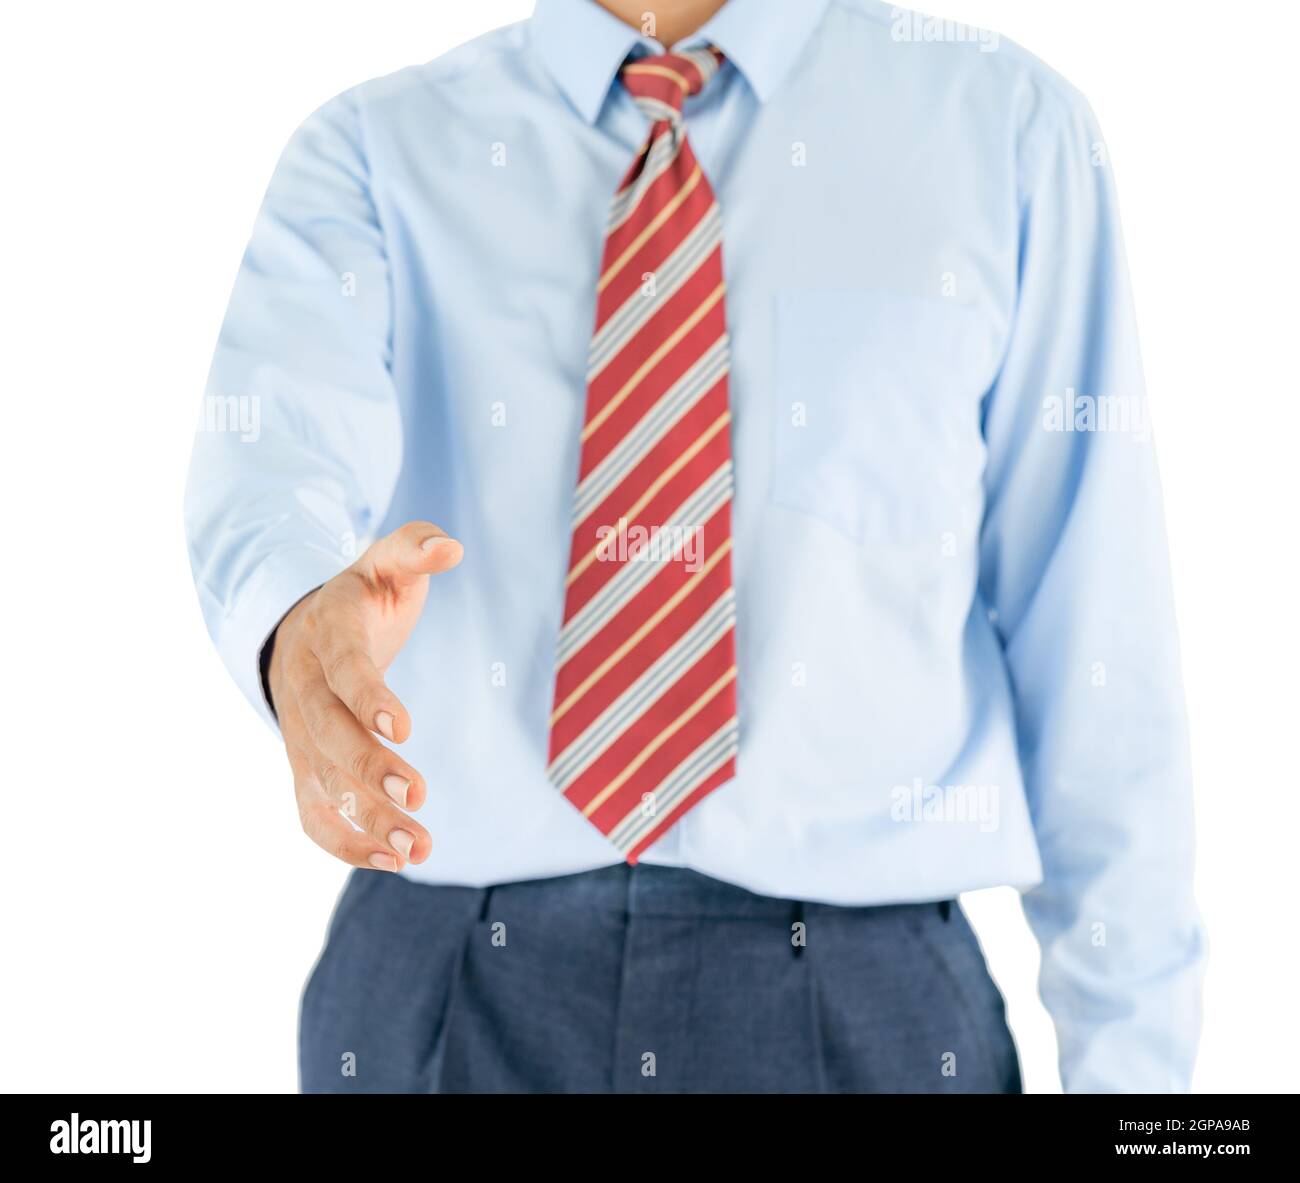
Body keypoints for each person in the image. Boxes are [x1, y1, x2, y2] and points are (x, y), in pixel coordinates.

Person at [185, 0, 1204, 1093]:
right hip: (450, 978)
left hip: (867, 1001)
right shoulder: (373, 152)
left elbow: (1096, 636)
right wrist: (299, 620)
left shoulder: (1007, 133)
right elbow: (276, 460)